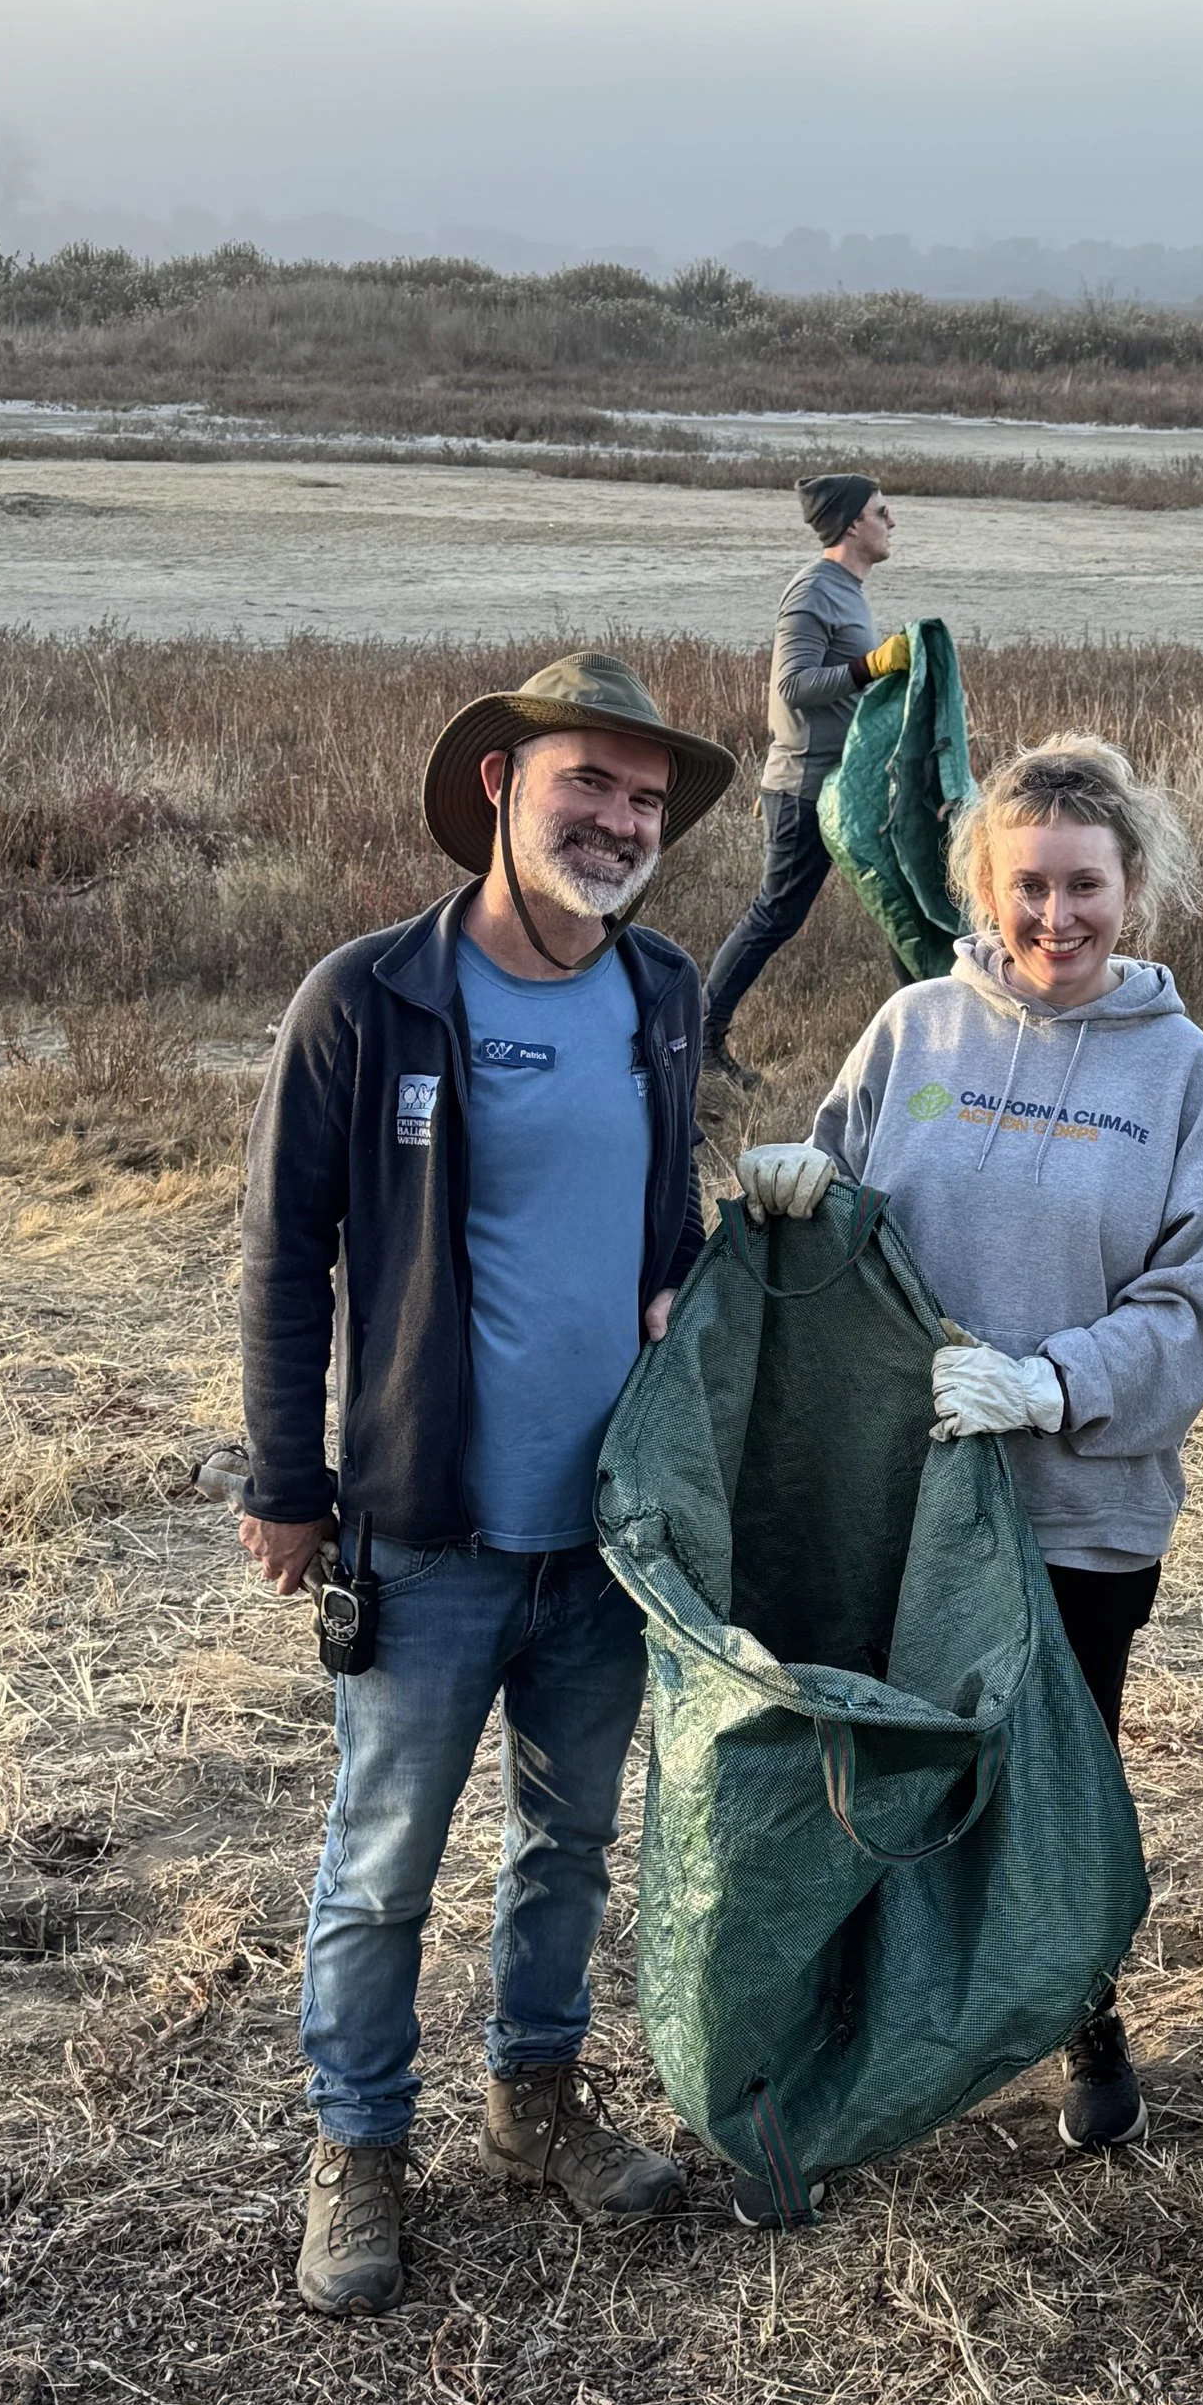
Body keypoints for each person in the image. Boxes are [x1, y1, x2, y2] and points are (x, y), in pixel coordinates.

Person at [237, 652, 740, 2316]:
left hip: (604, 1534)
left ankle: (536, 2101)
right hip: (424, 1522)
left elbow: (659, 1208)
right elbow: (286, 1258)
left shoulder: (661, 988)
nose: (619, 817)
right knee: (384, 1852)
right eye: (586, 783)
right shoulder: (372, 997)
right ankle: (358, 2141)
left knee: (570, 1838)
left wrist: (689, 1283)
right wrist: (289, 1479)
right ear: (498, 793)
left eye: (646, 797)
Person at [734, 735, 1203, 2156]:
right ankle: (867, 2027)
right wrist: (797, 1189)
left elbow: (1198, 1293)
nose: (1055, 917)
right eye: (1027, 885)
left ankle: (1079, 2014)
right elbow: (837, 1201)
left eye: (1084, 886)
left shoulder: (1181, 1071)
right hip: (901, 1494)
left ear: (1132, 889)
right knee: (880, 1765)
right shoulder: (914, 1031)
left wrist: (1052, 1382)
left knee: (1056, 1774)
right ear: (984, 884)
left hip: (1079, 1504)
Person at [701, 474, 911, 1088]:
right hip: (802, 786)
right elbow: (793, 685)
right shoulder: (813, 591)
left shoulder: (850, 590)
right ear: (851, 524)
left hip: (846, 785)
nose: (891, 519)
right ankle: (703, 1046)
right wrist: (870, 665)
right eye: (880, 510)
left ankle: (937, 1030)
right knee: (775, 916)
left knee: (895, 901)